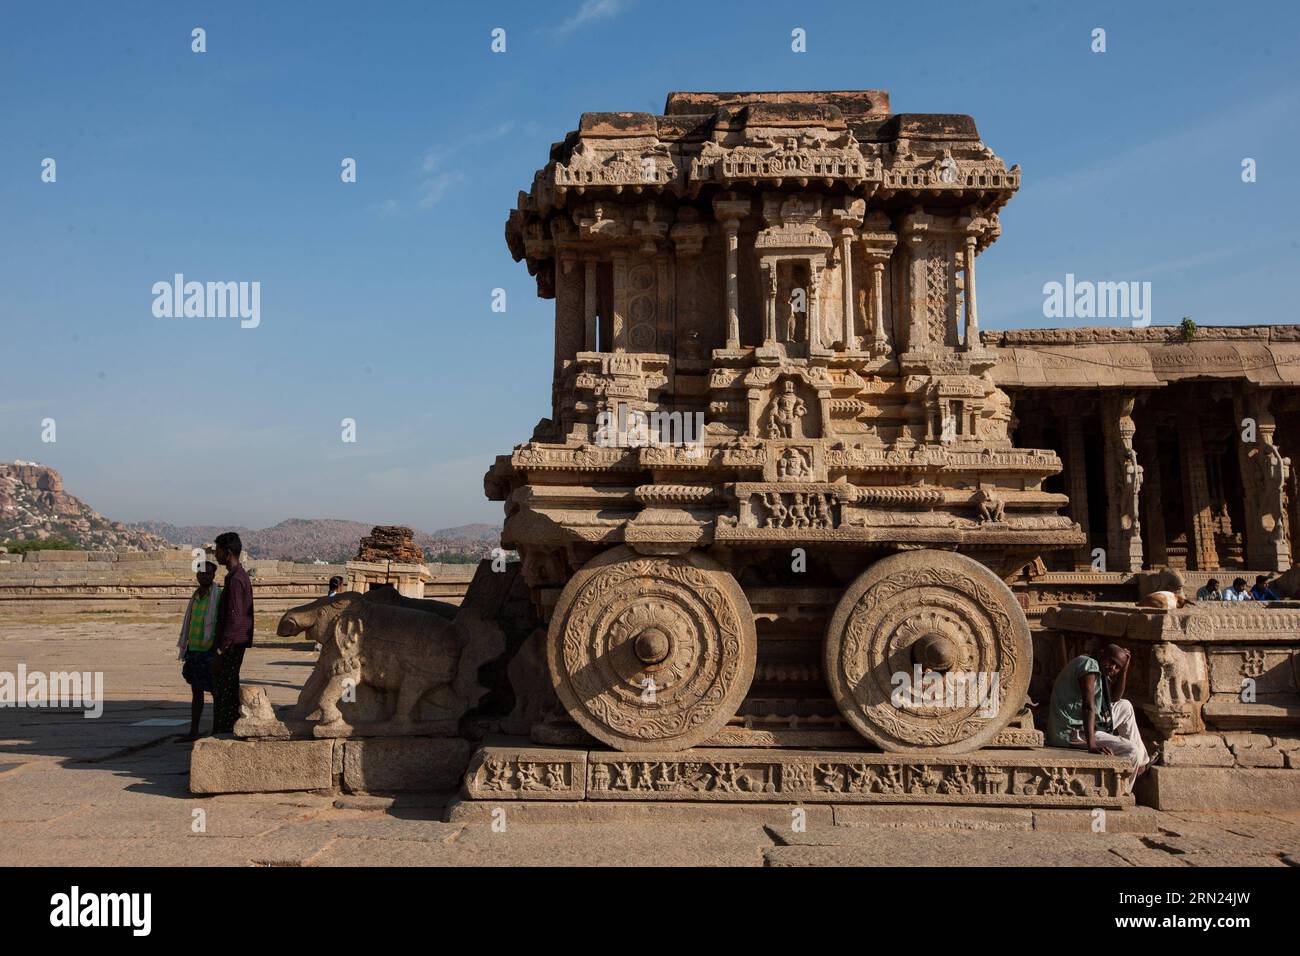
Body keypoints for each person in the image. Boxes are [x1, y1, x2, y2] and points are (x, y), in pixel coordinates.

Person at [1047, 644, 1151, 790]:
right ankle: (1124, 792)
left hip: (1087, 723)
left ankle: (1140, 763)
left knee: (1125, 706)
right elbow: (1088, 705)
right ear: (1101, 654)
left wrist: (1125, 669)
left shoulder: (1098, 669)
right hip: (1072, 731)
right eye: (1111, 661)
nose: (1113, 668)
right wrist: (1092, 745)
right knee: (1131, 750)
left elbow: (1115, 699)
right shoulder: (1088, 665)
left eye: (1117, 667)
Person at [211, 531, 254, 734]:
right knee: (224, 688)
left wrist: (221, 649)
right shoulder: (237, 576)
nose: (215, 555)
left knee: (225, 691)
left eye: (217, 551)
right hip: (235, 641)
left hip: (231, 644)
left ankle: (225, 730)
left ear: (227, 553)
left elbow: (235, 618)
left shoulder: (237, 579)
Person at [177, 561, 222, 741]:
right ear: (197, 576)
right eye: (201, 574)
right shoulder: (195, 597)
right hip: (194, 648)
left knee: (215, 691)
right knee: (196, 690)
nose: (205, 577)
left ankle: (217, 729)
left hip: (210, 650)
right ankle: (194, 730)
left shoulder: (218, 595)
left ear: (213, 576)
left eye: (208, 574)